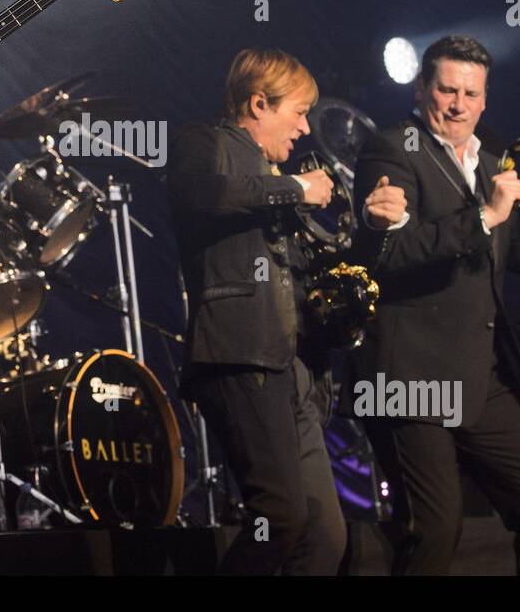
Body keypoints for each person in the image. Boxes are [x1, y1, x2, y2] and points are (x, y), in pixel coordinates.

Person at [348, 35, 520, 574]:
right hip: (410, 377)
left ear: (485, 99)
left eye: (471, 94)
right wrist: (482, 219)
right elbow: (389, 255)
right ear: (423, 89)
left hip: (479, 374)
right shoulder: (391, 147)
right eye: (447, 90)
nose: (458, 105)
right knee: (435, 528)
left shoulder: (493, 158)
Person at [168, 48, 408, 574]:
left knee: (324, 535)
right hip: (240, 356)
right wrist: (295, 188)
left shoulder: (276, 179)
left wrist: (371, 229)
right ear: (259, 103)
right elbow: (197, 196)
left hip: (294, 369)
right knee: (278, 516)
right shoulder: (203, 141)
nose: (305, 128)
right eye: (298, 112)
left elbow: (328, 276)